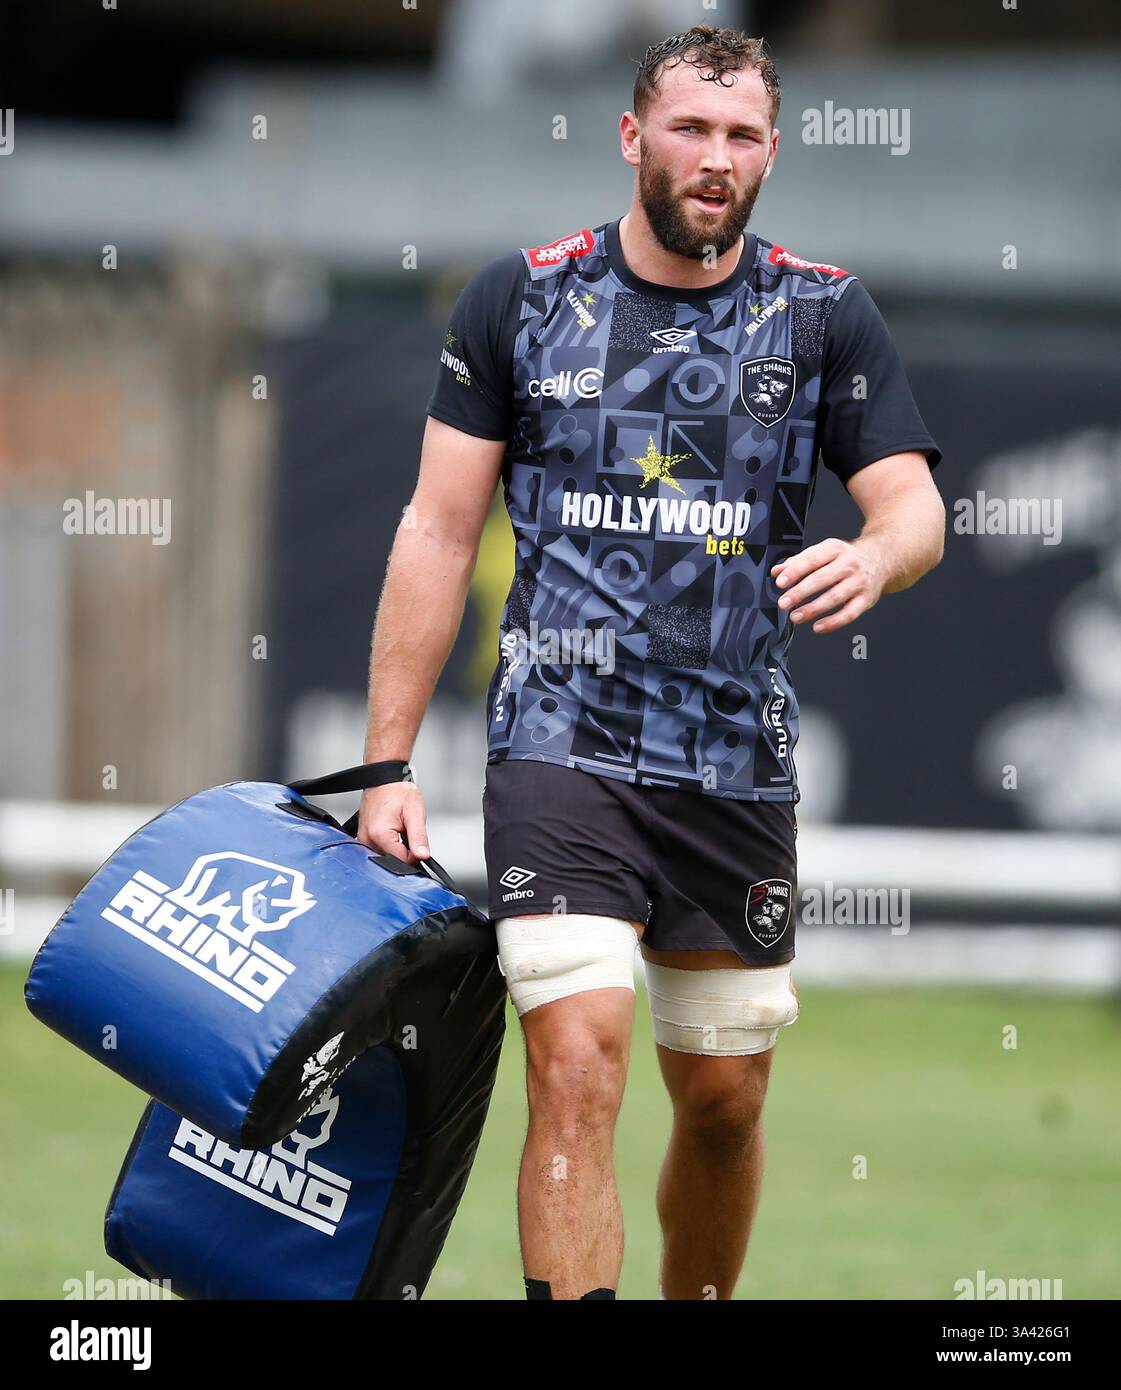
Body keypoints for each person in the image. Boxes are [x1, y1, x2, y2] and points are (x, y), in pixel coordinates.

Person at [357, 24, 944, 1301]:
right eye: (689, 128)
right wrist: (385, 760)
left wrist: (877, 556)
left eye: (740, 136)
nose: (713, 157)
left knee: (724, 1098)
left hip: (733, 759)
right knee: (576, 1061)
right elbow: (437, 530)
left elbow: (911, 507)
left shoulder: (826, 313)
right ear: (633, 137)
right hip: (557, 742)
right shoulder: (517, 300)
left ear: (771, 152)